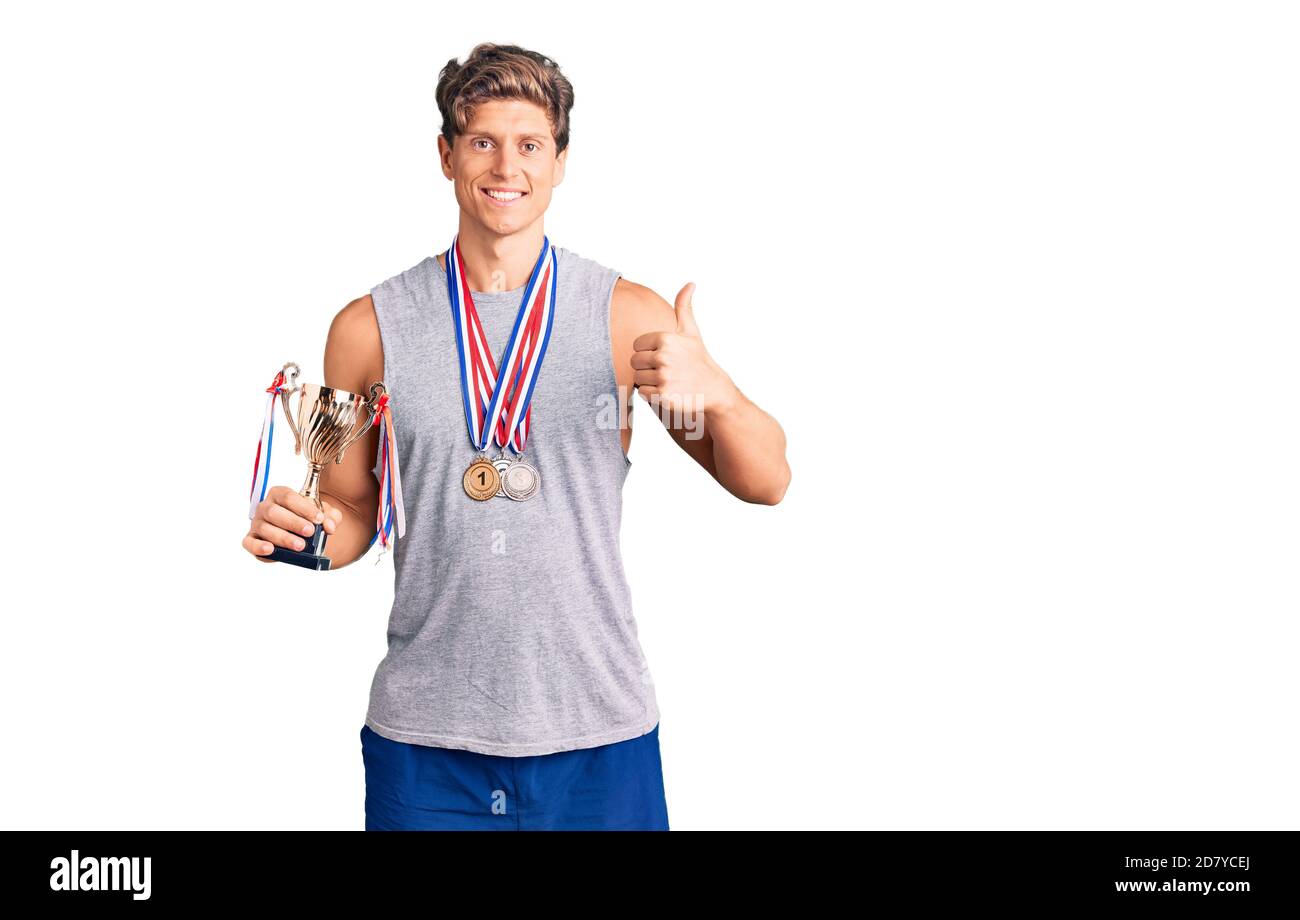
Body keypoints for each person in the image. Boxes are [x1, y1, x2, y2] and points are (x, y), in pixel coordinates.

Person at [242, 42, 790, 830]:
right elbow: (354, 508)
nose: (507, 166)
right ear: (446, 155)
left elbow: (769, 480)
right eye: (483, 142)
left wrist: (723, 397)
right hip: (425, 744)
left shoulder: (628, 317)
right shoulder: (365, 330)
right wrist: (308, 532)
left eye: (531, 143)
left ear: (561, 160)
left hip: (598, 735)